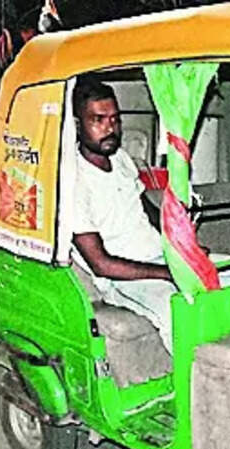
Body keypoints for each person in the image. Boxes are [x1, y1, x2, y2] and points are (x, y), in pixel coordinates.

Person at [69, 77, 177, 345]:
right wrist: (166, 272)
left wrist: (182, 246)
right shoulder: (71, 180)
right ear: (77, 125)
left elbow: (146, 210)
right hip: (124, 280)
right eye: (99, 120)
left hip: (162, 258)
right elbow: (101, 264)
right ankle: (194, 384)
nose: (111, 129)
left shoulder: (120, 159)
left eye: (115, 120)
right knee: (179, 311)